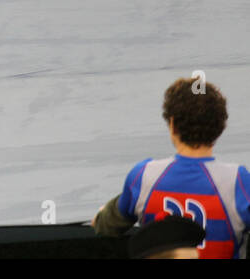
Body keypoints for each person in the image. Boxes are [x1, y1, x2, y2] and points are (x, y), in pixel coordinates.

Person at [92, 76, 250, 259]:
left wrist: (101, 216)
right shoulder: (238, 182)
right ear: (220, 126)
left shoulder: (144, 177)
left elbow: (106, 225)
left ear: (172, 124)